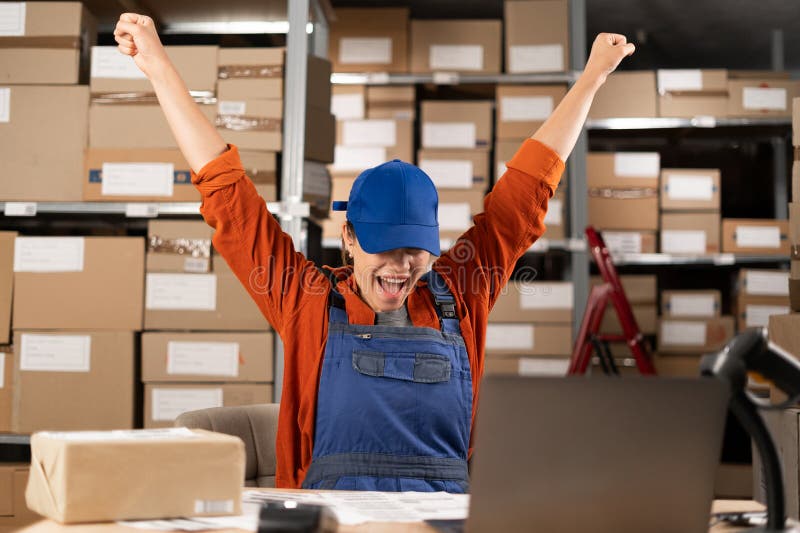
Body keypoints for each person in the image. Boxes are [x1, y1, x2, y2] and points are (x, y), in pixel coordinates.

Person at [114, 12, 635, 492]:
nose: (401, 267)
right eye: (383, 248)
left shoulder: (460, 295)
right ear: (349, 238)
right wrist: (158, 67)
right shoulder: (306, 302)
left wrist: (592, 77)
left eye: (417, 251)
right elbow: (229, 199)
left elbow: (525, 192)